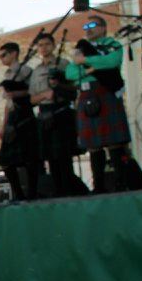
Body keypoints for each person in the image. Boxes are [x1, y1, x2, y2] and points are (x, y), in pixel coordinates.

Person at [66, 16, 132, 193]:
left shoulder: (112, 44)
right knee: (93, 145)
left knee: (114, 142)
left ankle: (121, 184)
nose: (88, 28)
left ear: (103, 28)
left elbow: (112, 62)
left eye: (92, 25)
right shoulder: (80, 48)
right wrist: (92, 68)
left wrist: (85, 61)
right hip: (87, 94)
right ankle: (99, 187)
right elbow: (71, 73)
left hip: (106, 92)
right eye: (86, 25)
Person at [28, 32, 80, 199]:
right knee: (50, 157)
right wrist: (45, 94)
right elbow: (31, 99)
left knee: (64, 155)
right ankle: (58, 190)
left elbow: (74, 88)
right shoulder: (36, 71)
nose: (44, 48)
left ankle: (69, 189)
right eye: (40, 45)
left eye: (47, 44)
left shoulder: (64, 64)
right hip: (45, 113)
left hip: (62, 111)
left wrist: (59, 85)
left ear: (54, 45)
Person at [0, 42, 41, 201]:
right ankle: (18, 193)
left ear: (14, 53)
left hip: (25, 115)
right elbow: (8, 103)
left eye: (4, 55)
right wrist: (4, 125)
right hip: (12, 117)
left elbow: (33, 92)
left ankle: (32, 192)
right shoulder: (7, 74)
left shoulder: (26, 71)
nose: (1, 59)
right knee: (6, 161)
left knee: (29, 158)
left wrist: (16, 93)